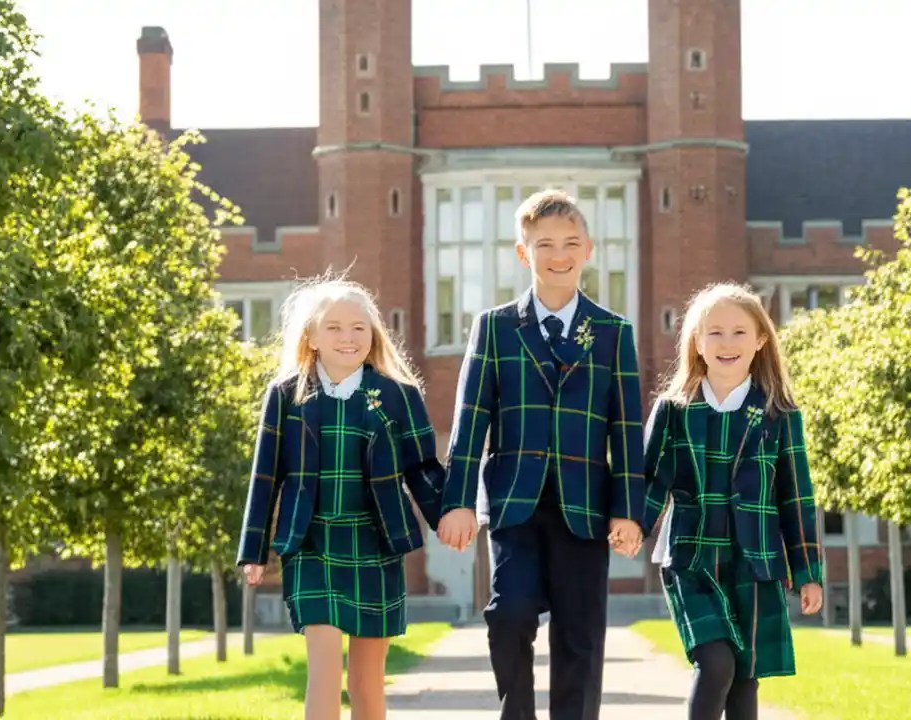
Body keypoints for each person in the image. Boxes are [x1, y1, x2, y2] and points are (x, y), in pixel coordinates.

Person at [437, 188, 645, 720]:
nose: (559, 254)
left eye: (571, 242)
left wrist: (628, 509)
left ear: (589, 249)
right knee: (510, 616)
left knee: (580, 636)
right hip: (514, 506)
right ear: (523, 252)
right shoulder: (496, 327)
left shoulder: (613, 333)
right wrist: (457, 501)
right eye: (545, 244)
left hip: (585, 510)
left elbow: (625, 429)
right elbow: (470, 419)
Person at [235, 276, 444, 720]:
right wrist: (252, 550)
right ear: (310, 337)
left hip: (377, 544)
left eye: (358, 327)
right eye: (333, 327)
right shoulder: (286, 395)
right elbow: (265, 476)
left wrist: (448, 516)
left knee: (367, 682)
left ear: (373, 336)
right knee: (324, 671)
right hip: (311, 545)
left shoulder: (399, 396)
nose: (348, 337)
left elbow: (422, 468)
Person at [641, 283, 823, 720]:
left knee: (745, 675)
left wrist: (808, 573)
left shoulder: (780, 414)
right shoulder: (673, 411)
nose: (727, 343)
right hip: (691, 559)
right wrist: (631, 525)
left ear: (760, 340)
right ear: (697, 343)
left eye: (739, 332)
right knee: (716, 662)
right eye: (715, 332)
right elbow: (649, 481)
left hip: (756, 562)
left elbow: (796, 499)